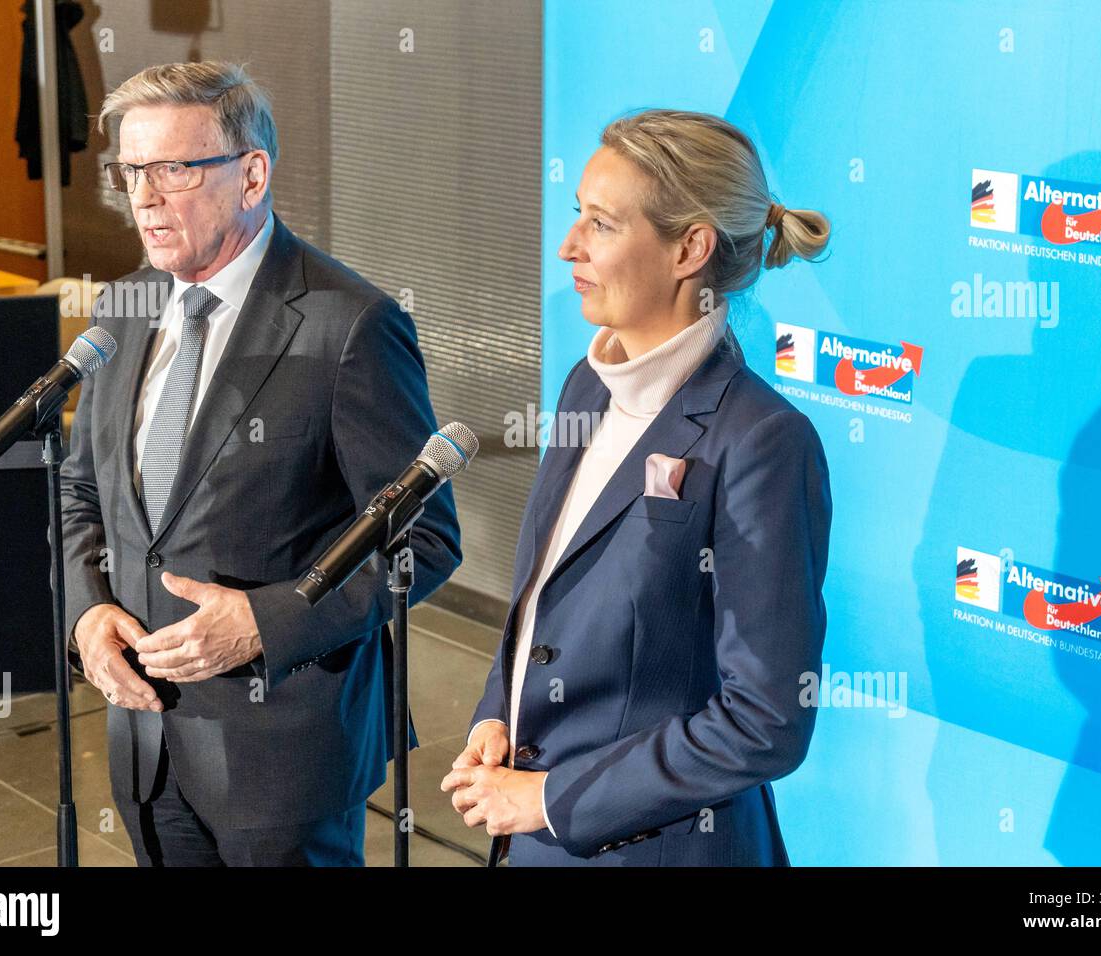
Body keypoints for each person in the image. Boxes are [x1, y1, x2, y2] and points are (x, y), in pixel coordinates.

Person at [60, 61, 461, 866]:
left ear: (251, 175)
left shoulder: (350, 327)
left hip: (286, 757)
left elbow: (421, 542)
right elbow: (80, 491)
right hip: (147, 744)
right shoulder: (123, 308)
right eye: (130, 171)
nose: (144, 197)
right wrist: (87, 611)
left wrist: (262, 623)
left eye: (173, 169)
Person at [442, 109, 832, 866]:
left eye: (601, 224)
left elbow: (767, 721)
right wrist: (499, 713)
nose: (570, 247)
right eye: (576, 217)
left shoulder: (762, 441)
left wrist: (553, 797)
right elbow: (546, 603)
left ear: (689, 248)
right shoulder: (586, 384)